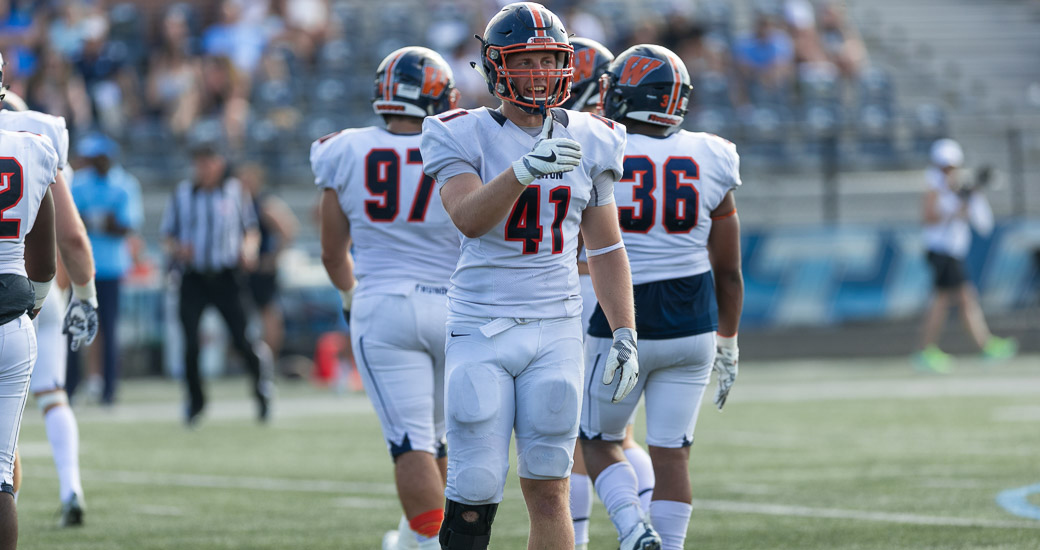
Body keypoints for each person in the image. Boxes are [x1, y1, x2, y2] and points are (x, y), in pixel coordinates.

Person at [420, 4, 639, 548]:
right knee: (472, 493)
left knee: (549, 490)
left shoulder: (593, 136)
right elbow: (469, 218)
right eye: (527, 60)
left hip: (557, 325)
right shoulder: (458, 132)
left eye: (549, 58)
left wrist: (624, 330)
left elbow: (607, 245)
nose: (541, 71)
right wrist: (521, 171)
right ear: (497, 68)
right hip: (480, 322)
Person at [580, 44, 744, 550]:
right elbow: (730, 269)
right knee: (673, 453)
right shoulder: (714, 153)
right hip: (694, 320)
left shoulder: (599, 143)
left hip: (620, 316)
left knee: (596, 442)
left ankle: (633, 527)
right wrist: (730, 339)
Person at [311, 46, 460, 550]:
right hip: (455, 305)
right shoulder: (462, 143)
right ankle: (420, 540)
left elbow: (333, 254)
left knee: (411, 442)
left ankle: (428, 544)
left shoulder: (345, 149)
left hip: (385, 303)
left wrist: (352, 298)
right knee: (436, 440)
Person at [561, 36, 657, 550]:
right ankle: (649, 530)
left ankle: (610, 533)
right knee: (617, 435)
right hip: (628, 286)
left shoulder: (575, 135)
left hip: (580, 286)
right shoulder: (621, 134)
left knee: (575, 437)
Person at [1, 76, 98, 526]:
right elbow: (71, 237)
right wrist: (85, 294)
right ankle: (70, 487)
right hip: (38, 288)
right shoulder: (38, 138)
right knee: (50, 394)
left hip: (20, 286)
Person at [159, 140, 274, 426]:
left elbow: (251, 229)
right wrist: (177, 249)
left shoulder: (235, 192)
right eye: (198, 162)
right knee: (190, 342)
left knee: (243, 338)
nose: (203, 168)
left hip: (227, 276)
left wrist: (249, 249)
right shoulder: (182, 194)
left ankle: (261, 391)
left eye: (208, 161)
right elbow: (167, 235)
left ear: (219, 163)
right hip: (193, 277)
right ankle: (195, 402)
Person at [0, 68, 59, 549]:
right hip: (10, 321)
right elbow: (44, 261)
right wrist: (32, 309)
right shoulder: (33, 146)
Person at [914, 138, 1017, 372]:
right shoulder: (935, 185)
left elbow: (984, 224)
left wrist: (970, 198)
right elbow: (928, 217)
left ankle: (979, 345)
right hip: (942, 251)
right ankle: (930, 350)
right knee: (951, 301)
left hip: (951, 253)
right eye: (945, 167)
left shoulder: (960, 188)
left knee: (958, 300)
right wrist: (955, 209)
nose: (948, 171)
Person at [67, 132, 142, 406]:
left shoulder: (125, 184)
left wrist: (92, 221)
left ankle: (109, 391)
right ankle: (69, 388)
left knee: (109, 330)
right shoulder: (80, 182)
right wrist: (104, 221)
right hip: (79, 267)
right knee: (74, 327)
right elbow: (72, 223)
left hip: (110, 268)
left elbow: (125, 225)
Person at [239, 162, 298, 363]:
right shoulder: (237, 204)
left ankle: (269, 359)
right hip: (242, 270)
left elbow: (288, 229)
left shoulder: (263, 203)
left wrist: (272, 258)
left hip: (261, 271)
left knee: (268, 314)